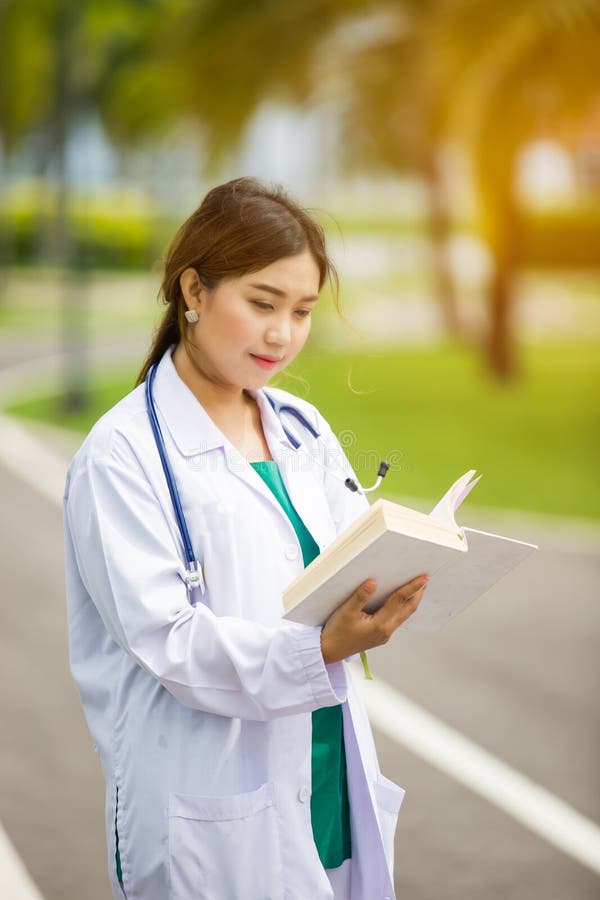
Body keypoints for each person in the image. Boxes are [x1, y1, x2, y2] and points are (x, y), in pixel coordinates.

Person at [63, 176, 429, 900]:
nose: (282, 334)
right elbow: (169, 641)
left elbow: (348, 555)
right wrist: (320, 648)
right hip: (209, 806)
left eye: (300, 311)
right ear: (193, 291)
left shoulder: (299, 425)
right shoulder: (124, 454)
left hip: (323, 774)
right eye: (262, 304)